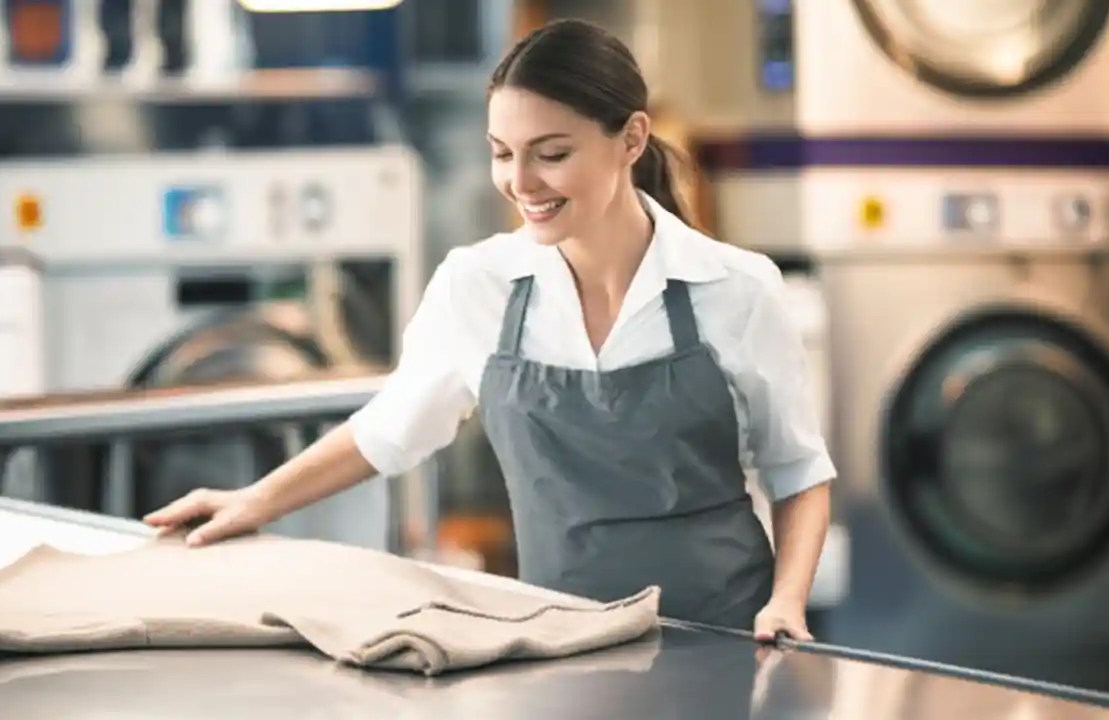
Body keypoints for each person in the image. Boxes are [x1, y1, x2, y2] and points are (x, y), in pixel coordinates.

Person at [144, 18, 836, 641]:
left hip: (724, 636)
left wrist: (786, 604)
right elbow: (390, 428)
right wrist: (253, 499)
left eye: (551, 152)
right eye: (503, 152)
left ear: (631, 139)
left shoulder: (736, 289)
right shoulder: (478, 285)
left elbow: (799, 471)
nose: (521, 181)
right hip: (561, 639)